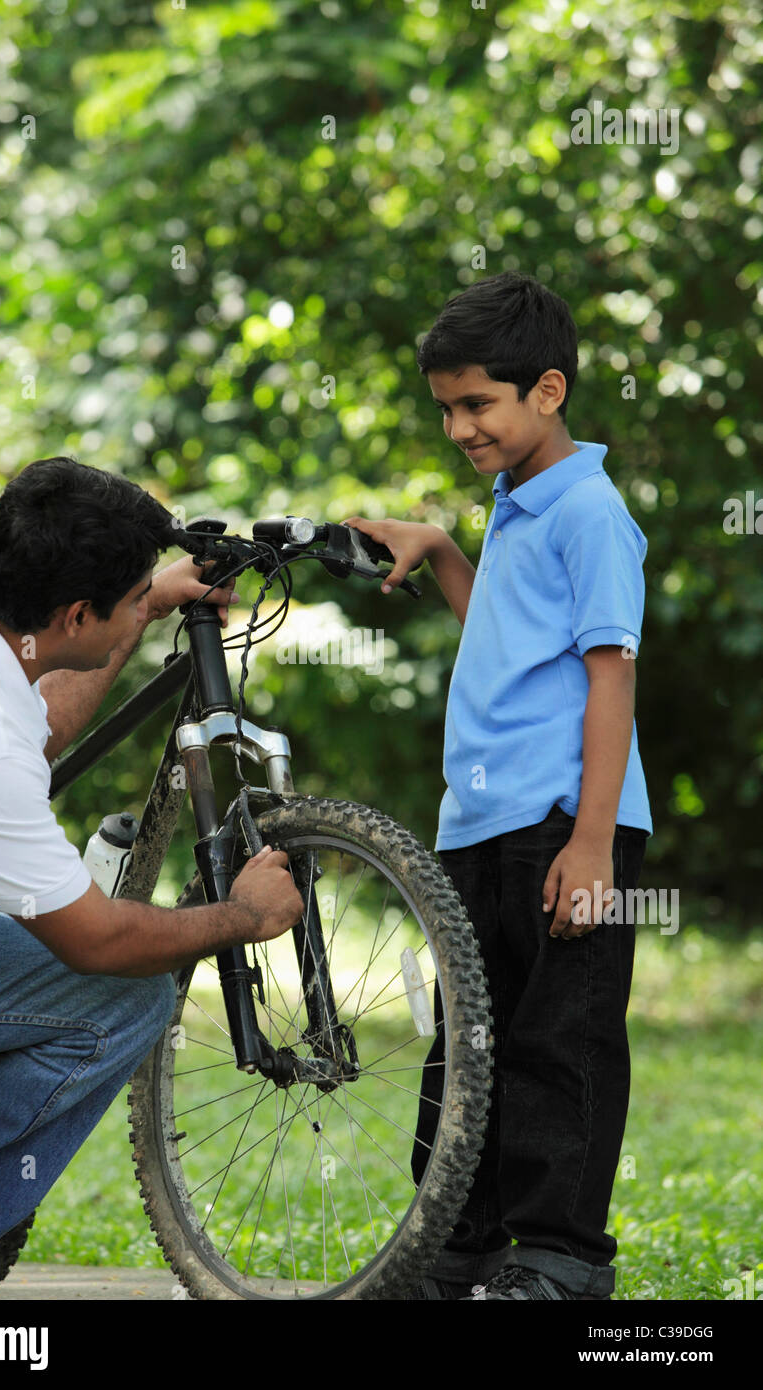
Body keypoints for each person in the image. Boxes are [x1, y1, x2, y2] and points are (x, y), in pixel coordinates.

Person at [0, 457, 303, 1300]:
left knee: (128, 1001)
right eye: (131, 594)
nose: (144, 600)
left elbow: (39, 729)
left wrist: (144, 606)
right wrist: (240, 914)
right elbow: (95, 938)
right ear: (76, 612)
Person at [344, 271, 652, 1302]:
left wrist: (594, 843)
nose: (457, 426)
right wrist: (439, 552)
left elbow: (610, 675)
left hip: (566, 819)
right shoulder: (515, 506)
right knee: (468, 1041)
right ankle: (461, 1246)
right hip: (480, 822)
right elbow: (511, 641)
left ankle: (556, 1256)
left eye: (476, 403)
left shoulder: (588, 513)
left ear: (547, 391)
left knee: (555, 1041)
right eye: (445, 407)